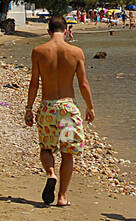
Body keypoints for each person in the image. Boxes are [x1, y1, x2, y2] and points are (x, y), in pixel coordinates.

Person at [25, 15, 94, 206]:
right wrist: (90, 106)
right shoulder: (76, 52)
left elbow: (33, 84)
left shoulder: (38, 51)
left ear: (48, 31)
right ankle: (62, 197)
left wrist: (29, 108)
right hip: (67, 107)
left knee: (46, 148)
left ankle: (51, 173)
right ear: (66, 31)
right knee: (67, 152)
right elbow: (83, 84)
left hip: (48, 106)